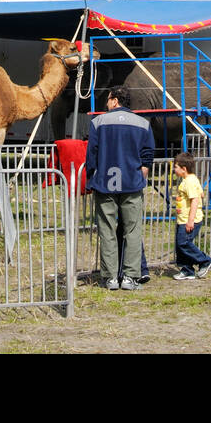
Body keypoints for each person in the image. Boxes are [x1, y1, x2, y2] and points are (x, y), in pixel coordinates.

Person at [85, 86, 155, 290]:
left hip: (105, 184)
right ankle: (131, 277)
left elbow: (92, 154)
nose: (106, 103)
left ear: (115, 100)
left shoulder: (98, 122)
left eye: (108, 99)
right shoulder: (143, 123)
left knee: (107, 230)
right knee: (132, 230)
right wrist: (141, 174)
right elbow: (148, 153)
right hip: (132, 183)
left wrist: (91, 179)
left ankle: (110, 278)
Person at [171, 153, 211, 280]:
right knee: (180, 245)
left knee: (183, 243)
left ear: (184, 169)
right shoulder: (191, 179)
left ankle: (204, 260)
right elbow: (201, 194)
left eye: (176, 167)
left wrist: (190, 220)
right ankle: (187, 270)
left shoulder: (189, 181)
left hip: (190, 220)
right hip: (182, 219)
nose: (174, 170)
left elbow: (195, 200)